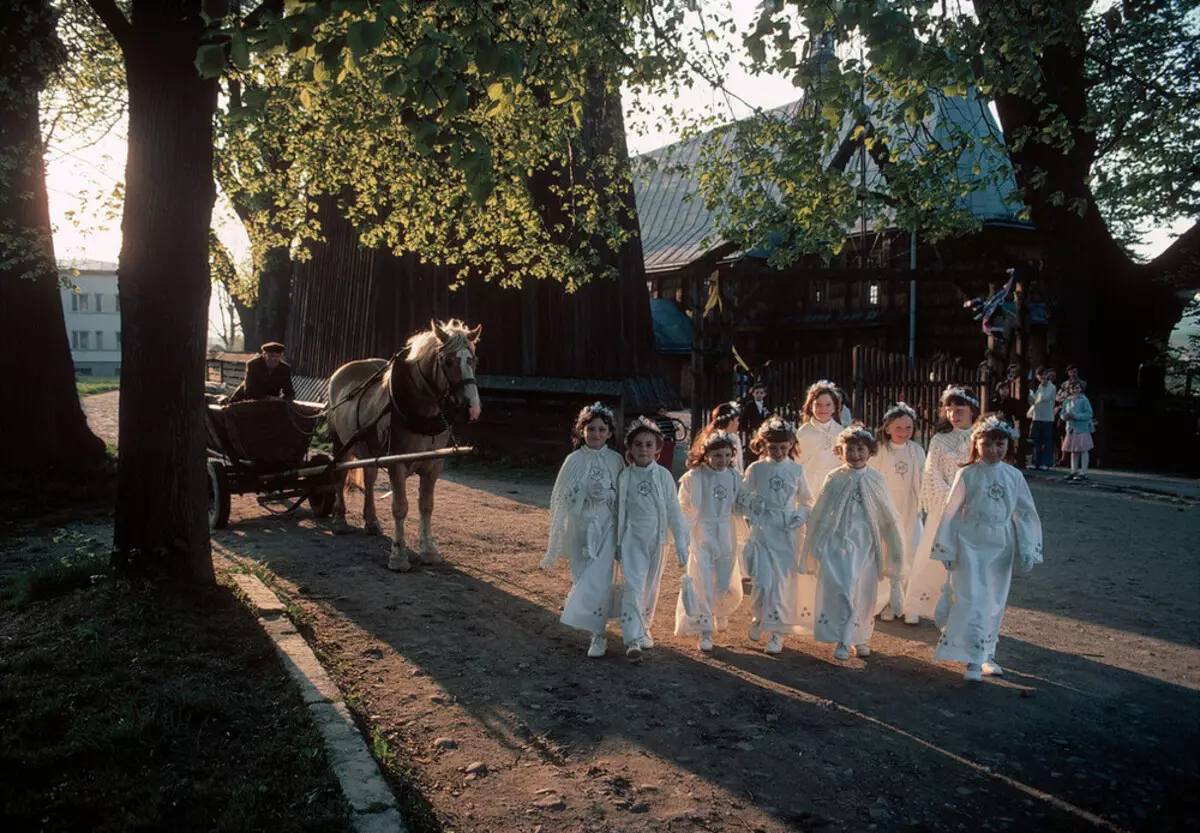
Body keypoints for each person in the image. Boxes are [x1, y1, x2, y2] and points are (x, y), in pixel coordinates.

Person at [931, 415, 1043, 681]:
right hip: (970, 540)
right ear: (976, 445)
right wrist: (946, 547)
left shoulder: (1014, 476)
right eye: (987, 444)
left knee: (994, 598)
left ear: (1008, 445)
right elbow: (951, 512)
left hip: (1001, 543)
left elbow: (1026, 513)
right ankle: (972, 657)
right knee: (972, 597)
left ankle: (986, 652)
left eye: (999, 443)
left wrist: (1029, 547)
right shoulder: (967, 474)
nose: (993, 450)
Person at [800, 426, 904, 662]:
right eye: (850, 449)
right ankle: (842, 638)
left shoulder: (877, 479)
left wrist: (892, 545)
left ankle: (860, 635)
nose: (855, 455)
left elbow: (887, 514)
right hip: (839, 542)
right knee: (843, 587)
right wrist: (815, 543)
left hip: (866, 542)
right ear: (840, 451)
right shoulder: (835, 477)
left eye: (861, 449)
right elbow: (821, 510)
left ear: (870, 452)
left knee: (864, 589)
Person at [540, 403, 625, 658]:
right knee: (581, 575)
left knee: (599, 578)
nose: (596, 434)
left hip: (606, 527)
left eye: (601, 429)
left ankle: (598, 634)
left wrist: (609, 494)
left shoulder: (616, 460)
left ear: (609, 433)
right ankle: (590, 619)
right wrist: (580, 494)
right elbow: (560, 497)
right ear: (582, 431)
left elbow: (623, 497)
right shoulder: (573, 460)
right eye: (591, 429)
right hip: (580, 528)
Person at [902, 386, 980, 625]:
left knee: (964, 560)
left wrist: (969, 500)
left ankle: (958, 607)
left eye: (959, 410)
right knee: (933, 553)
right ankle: (917, 603)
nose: (954, 415)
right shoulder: (939, 439)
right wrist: (950, 499)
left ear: (972, 410)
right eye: (949, 410)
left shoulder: (979, 438)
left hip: (970, 507)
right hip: (943, 506)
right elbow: (932, 472)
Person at [615, 418, 690, 661]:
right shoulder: (624, 477)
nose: (643, 450)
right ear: (630, 449)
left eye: (649, 445)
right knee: (634, 586)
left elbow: (673, 512)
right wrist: (616, 542)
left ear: (657, 449)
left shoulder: (664, 477)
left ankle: (645, 626)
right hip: (632, 539)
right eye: (638, 445)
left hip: (657, 540)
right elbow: (618, 512)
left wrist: (681, 544)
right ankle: (632, 639)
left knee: (651, 586)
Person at [742, 417, 816, 654]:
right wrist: (754, 505)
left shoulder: (796, 470)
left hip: (786, 532)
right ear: (763, 445)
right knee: (763, 579)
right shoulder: (756, 469)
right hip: (763, 530)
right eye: (773, 447)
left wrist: (800, 515)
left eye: (783, 447)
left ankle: (777, 632)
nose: (778, 452)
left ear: (791, 445)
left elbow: (807, 500)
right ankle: (759, 615)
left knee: (782, 583)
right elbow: (742, 496)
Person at [674, 430, 747, 652]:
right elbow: (683, 506)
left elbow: (741, 503)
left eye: (726, 455)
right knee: (703, 579)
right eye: (717, 455)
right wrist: (685, 528)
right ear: (706, 455)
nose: (722, 460)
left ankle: (720, 609)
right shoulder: (693, 478)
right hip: (702, 532)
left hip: (726, 531)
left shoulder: (735, 477)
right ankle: (704, 629)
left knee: (723, 579)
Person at [869, 403, 926, 621]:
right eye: (899, 428)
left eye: (908, 428)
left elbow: (921, 479)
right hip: (886, 507)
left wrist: (921, 506)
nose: (903, 433)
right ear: (887, 428)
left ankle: (907, 603)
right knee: (887, 553)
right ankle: (886, 602)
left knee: (909, 551)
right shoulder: (880, 450)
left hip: (909, 507)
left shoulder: (916, 450)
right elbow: (873, 479)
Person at [794, 380, 844, 498]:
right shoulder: (804, 432)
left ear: (834, 407)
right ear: (811, 406)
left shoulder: (841, 432)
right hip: (810, 485)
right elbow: (797, 462)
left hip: (834, 486)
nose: (823, 409)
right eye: (818, 405)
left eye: (828, 404)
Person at [229, 342, 295, 402]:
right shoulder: (253, 365)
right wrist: (268, 398)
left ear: (281, 357)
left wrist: (284, 400)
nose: (273, 359)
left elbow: (289, 392)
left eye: (277, 356)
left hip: (273, 400)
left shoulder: (285, 369)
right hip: (249, 397)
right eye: (271, 356)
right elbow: (249, 391)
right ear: (264, 355)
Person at [1059, 380, 1095, 481]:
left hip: (1082, 428)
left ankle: (1084, 472)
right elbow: (1062, 413)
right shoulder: (1067, 400)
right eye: (1073, 388)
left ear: (1081, 389)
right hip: (1071, 428)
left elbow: (1089, 414)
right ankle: (1073, 470)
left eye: (1077, 388)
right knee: (1073, 451)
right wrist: (1065, 417)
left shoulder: (1084, 399)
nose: (1075, 390)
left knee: (1083, 450)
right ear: (1070, 390)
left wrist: (1076, 416)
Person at [695, 401, 745, 472]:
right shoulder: (714, 439)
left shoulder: (735, 437)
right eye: (737, 420)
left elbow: (739, 463)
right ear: (730, 422)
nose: (738, 423)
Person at [1027, 366, 1056, 470]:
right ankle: (1036, 462)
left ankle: (1046, 463)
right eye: (1040, 375)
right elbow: (1033, 401)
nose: (1042, 377)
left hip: (1047, 417)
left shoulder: (1051, 387)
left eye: (1044, 374)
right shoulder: (1038, 387)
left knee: (1047, 441)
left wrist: (1035, 398)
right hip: (1037, 416)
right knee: (1037, 441)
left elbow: (1045, 398)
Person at [740, 382, 772, 464]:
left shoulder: (768, 405)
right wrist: (748, 429)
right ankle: (753, 462)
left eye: (761, 393)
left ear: (764, 394)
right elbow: (744, 419)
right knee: (755, 447)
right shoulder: (749, 406)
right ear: (753, 394)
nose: (759, 395)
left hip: (766, 430)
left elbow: (771, 417)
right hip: (754, 430)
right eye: (757, 392)